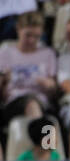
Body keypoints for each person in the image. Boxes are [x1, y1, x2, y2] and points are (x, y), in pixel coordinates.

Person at [0, 11, 58, 142]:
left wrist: (49, 85)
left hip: (42, 102)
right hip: (14, 102)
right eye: (28, 35)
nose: (31, 40)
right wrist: (4, 80)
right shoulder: (5, 52)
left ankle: (45, 150)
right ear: (18, 29)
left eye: (36, 36)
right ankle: (43, 148)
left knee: (41, 110)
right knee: (31, 104)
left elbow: (54, 90)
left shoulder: (48, 54)